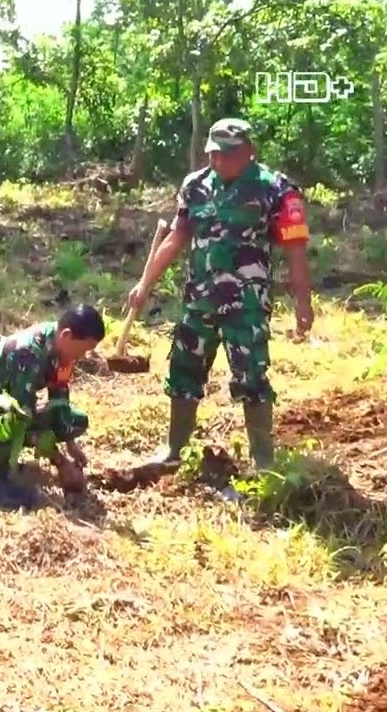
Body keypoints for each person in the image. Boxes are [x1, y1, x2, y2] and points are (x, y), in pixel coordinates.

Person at [126, 118, 313, 474]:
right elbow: (177, 236)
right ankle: (173, 449)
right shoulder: (195, 186)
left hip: (247, 303)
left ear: (249, 152)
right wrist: (144, 283)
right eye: (214, 155)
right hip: (199, 299)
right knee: (183, 369)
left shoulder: (276, 189)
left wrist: (303, 301)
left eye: (228, 155)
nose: (219, 162)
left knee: (251, 377)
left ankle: (262, 461)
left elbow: (295, 247)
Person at [0, 304, 105, 510]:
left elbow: (59, 399)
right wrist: (61, 462)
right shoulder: (27, 353)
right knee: (10, 416)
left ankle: (11, 456)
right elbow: (22, 411)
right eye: (83, 349)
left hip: (17, 401)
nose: (83, 356)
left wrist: (71, 444)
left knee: (74, 420)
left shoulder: (62, 349)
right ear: (67, 336)